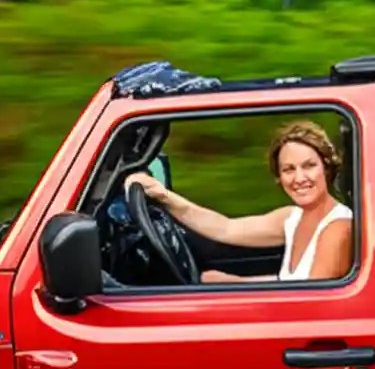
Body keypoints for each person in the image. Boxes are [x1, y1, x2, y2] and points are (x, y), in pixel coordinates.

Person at [123, 119, 353, 283]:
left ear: (327, 167)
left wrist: (239, 284)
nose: (299, 178)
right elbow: (226, 228)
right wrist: (163, 196)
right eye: (288, 169)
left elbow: (313, 302)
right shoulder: (292, 217)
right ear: (279, 177)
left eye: (309, 166)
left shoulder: (338, 227)